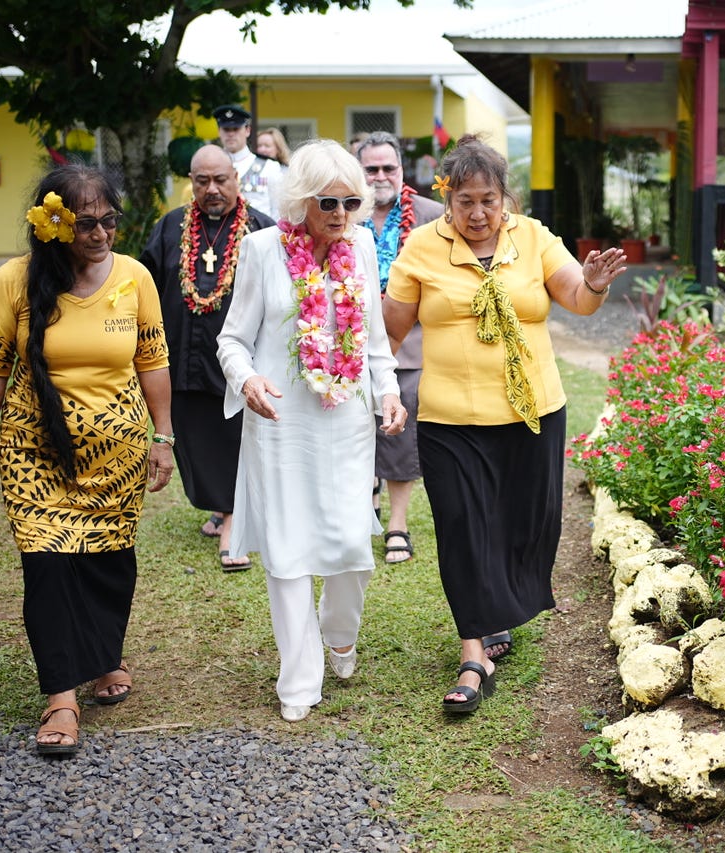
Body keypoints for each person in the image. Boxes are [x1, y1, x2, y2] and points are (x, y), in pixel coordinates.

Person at [383, 134, 627, 714]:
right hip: (449, 418)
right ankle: (474, 654)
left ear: (504, 197)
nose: (477, 214)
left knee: (524, 523)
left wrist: (594, 282)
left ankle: (497, 610)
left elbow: (576, 296)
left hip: (531, 413)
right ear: (447, 198)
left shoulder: (534, 236)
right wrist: (378, 383)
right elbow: (389, 330)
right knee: (461, 527)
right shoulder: (422, 246)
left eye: (488, 200)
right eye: (464, 201)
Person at [0, 165, 173, 755]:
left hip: (116, 452)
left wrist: (163, 438)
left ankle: (105, 657)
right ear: (53, 225)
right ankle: (61, 696)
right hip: (35, 451)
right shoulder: (13, 280)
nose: (101, 233)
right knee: (47, 566)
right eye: (85, 224)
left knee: (109, 562)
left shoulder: (134, 277)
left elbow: (152, 362)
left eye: (109, 220)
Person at [217, 139, 408, 722]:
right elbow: (232, 340)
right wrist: (247, 379)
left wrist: (389, 392)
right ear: (301, 200)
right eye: (329, 202)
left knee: (352, 545)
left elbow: (376, 342)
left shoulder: (363, 248)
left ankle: (339, 632)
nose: (342, 214)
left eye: (352, 201)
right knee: (288, 548)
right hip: (281, 422)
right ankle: (299, 678)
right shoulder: (261, 250)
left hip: (347, 420)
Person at [140, 145, 276, 570]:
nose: (212, 189)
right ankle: (222, 508)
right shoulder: (171, 227)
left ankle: (234, 522)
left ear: (236, 178)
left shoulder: (261, 229)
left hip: (240, 363)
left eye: (220, 180)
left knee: (236, 438)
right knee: (196, 436)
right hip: (184, 357)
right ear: (192, 182)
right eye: (203, 181)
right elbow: (147, 284)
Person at [355, 131, 443, 566]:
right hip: (349, 344)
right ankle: (362, 503)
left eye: (388, 168)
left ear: (402, 170)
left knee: (400, 433)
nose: (380, 176)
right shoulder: (342, 211)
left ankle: (398, 523)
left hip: (409, 344)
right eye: (370, 169)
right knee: (356, 428)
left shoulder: (432, 216)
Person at [213, 104, 282, 220]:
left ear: (247, 130)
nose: (231, 134)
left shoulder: (269, 167)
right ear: (219, 131)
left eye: (236, 129)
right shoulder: (212, 166)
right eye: (226, 129)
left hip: (260, 229)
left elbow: (278, 210)